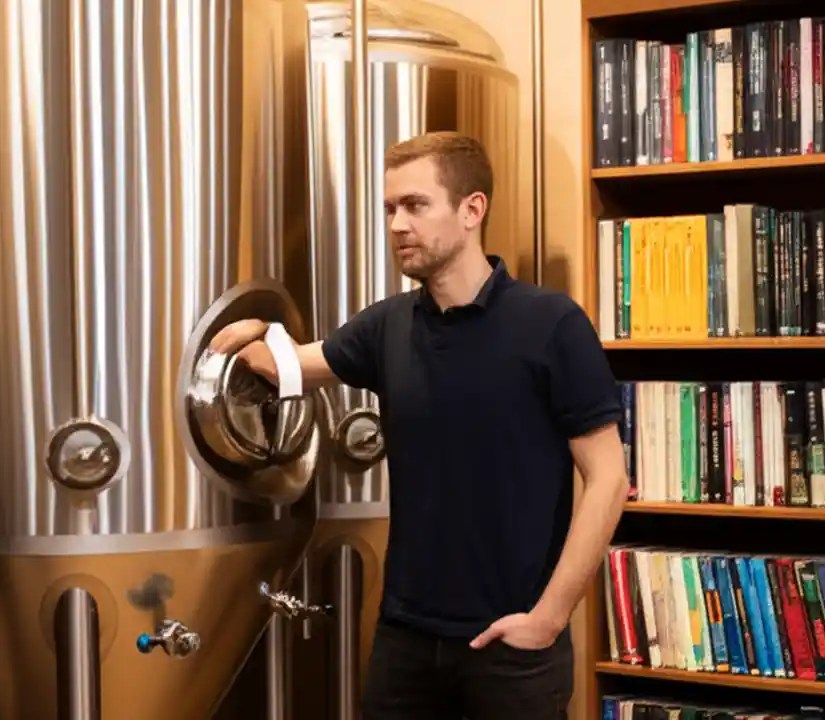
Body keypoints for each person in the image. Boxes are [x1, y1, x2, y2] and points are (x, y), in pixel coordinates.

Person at [210, 131, 629, 719]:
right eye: (390, 209)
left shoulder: (551, 324)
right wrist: (255, 329)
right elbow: (289, 366)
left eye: (415, 205)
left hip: (511, 648)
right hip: (405, 643)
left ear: (472, 210)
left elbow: (608, 479)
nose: (397, 225)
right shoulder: (386, 326)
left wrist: (549, 617)